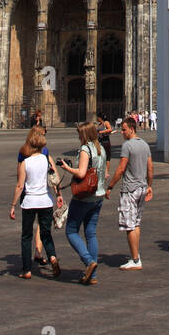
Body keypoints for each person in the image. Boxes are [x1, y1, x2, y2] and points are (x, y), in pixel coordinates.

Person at [58, 121, 108, 285]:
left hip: (84, 197)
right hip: (98, 196)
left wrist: (66, 168)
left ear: (85, 135)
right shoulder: (101, 149)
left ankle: (89, 261)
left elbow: (80, 173)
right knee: (91, 233)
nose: (78, 137)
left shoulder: (86, 149)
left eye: (80, 134)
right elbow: (105, 173)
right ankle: (92, 275)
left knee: (71, 231)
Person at [10, 127, 60, 279]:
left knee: (26, 236)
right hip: (45, 201)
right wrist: (58, 194)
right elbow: (54, 178)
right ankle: (52, 257)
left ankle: (27, 270)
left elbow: (20, 185)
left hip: (30, 201)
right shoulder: (46, 160)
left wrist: (13, 205)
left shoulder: (26, 162)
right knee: (46, 234)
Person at [105, 115, 153, 270]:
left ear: (131, 129)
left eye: (124, 130)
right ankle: (135, 255)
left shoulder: (127, 146)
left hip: (130, 189)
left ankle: (135, 259)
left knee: (129, 225)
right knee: (136, 223)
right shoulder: (144, 144)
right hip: (142, 187)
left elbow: (121, 169)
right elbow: (150, 168)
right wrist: (149, 185)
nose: (122, 132)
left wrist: (110, 186)